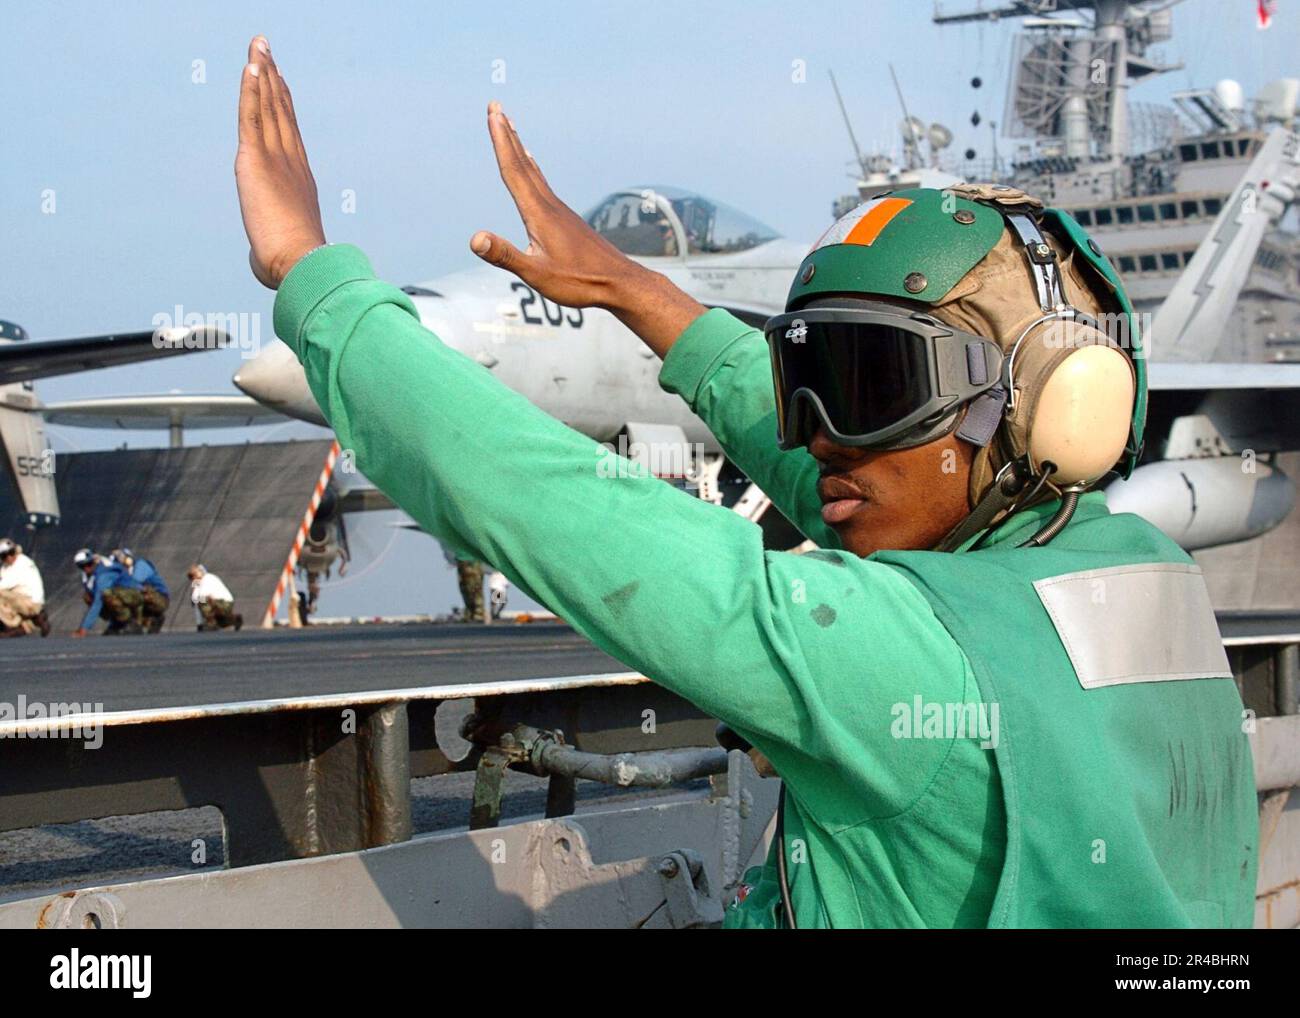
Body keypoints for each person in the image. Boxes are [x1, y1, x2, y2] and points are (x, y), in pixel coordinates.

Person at [232, 38, 1256, 928]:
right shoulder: (1138, 576)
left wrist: (314, 278)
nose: (814, 441)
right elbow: (901, 491)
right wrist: (636, 293)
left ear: (1037, 402)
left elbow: (547, 501)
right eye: (801, 383)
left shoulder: (898, 655)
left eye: (870, 386)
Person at [73, 547, 144, 637]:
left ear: (94, 561)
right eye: (82, 566)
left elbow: (98, 601)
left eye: (89, 564)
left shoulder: (104, 573)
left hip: (134, 595)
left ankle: (129, 622)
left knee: (105, 594)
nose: (86, 568)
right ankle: (116, 622)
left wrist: (84, 628)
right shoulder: (87, 575)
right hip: (121, 595)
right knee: (88, 597)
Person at [113, 547, 170, 634]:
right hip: (146, 598)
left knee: (133, 592)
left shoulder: (141, 565)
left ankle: (140, 622)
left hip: (160, 598)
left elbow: (134, 583)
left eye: (122, 557)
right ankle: (147, 619)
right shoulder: (125, 571)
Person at [0, 538, 49, 637]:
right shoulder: (6, 567)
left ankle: (29, 619)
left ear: (14, 551)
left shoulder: (21, 563)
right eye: (5, 555)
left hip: (31, 603)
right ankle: (28, 625)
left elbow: (3, 585)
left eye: (11, 552)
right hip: (23, 601)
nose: (9, 557)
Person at [187, 564, 242, 632]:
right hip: (222, 603)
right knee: (222, 622)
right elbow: (195, 596)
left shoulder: (207, 578)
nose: (193, 580)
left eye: (193, 577)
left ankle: (211, 623)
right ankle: (235, 620)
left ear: (198, 574)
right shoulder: (200, 580)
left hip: (223, 603)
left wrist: (195, 599)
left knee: (202, 601)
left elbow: (201, 596)